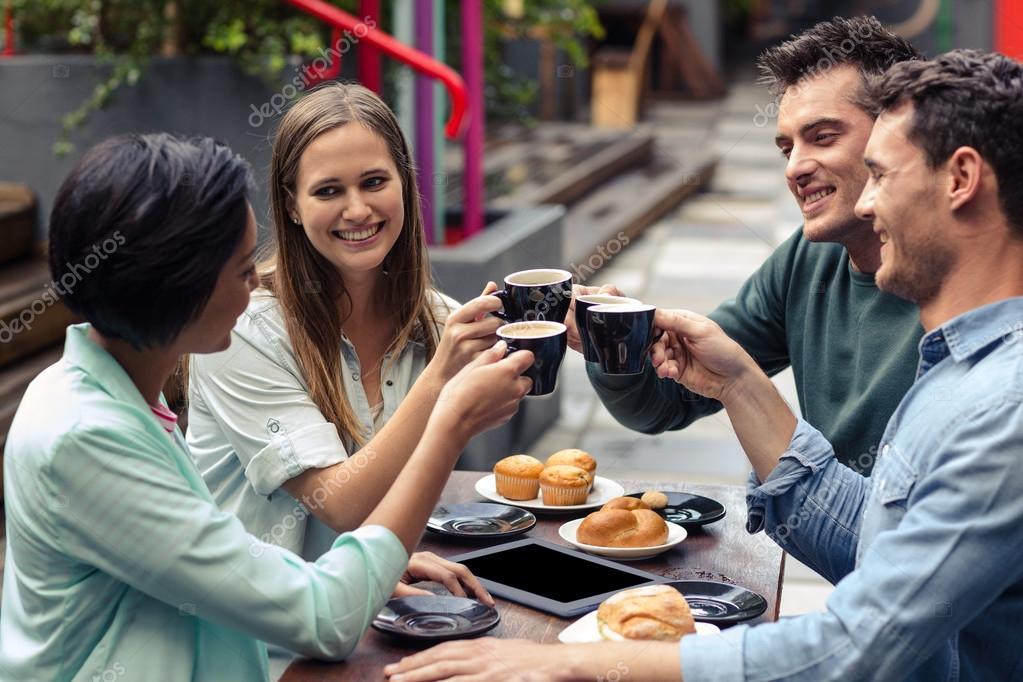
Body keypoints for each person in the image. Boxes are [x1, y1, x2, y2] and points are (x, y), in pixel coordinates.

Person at [384, 49, 1023, 681]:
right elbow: (873, 546)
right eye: (784, 146)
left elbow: (858, 645)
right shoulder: (951, 357)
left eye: (879, 173)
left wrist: (574, 663)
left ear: (961, 179)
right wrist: (731, 380)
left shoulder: (1000, 404)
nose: (863, 202)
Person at [0, 133, 533, 681]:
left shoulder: (113, 393)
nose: (257, 282)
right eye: (240, 270)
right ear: (178, 287)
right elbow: (324, 618)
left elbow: (203, 560)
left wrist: (363, 569)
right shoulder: (87, 437)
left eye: (375, 182)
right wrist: (449, 424)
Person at [571, 16, 923, 472]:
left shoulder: (968, 280)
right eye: (786, 148)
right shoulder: (807, 258)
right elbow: (665, 402)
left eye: (823, 137)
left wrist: (741, 388)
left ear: (897, 135)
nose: (795, 167)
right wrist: (614, 341)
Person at [186, 83, 505, 569]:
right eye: (329, 191)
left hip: (360, 607)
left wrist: (583, 330)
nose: (357, 210)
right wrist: (441, 382)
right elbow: (338, 505)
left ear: (405, 183)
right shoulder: (243, 332)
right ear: (292, 205)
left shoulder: (435, 318)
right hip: (262, 638)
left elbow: (514, 367)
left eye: (374, 182)